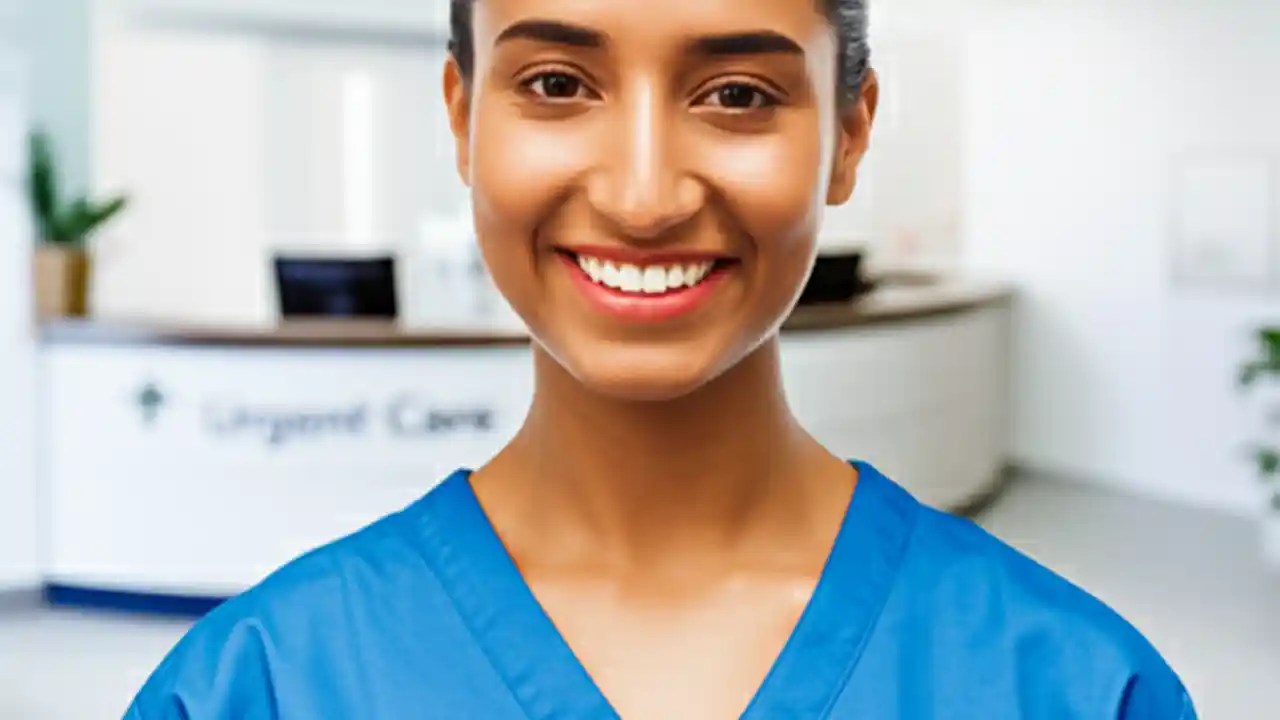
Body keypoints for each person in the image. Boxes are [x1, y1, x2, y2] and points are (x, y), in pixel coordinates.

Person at [125, 0, 1196, 717]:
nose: (643, 197)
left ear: (848, 136)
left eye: (736, 95)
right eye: (554, 84)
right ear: (460, 119)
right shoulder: (259, 686)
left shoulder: (1067, 686)